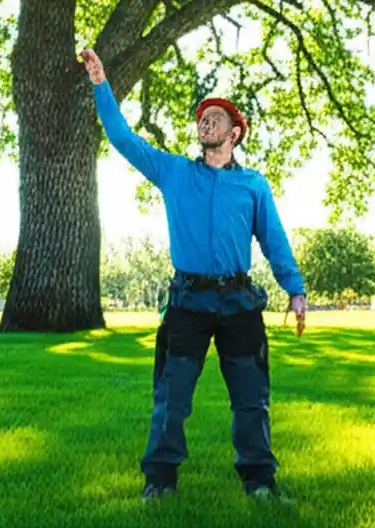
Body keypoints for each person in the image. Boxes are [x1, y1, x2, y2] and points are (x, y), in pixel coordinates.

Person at [79, 49, 307, 504]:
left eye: (216, 118)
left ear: (235, 133)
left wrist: (295, 289)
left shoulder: (254, 186)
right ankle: (160, 481)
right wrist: (101, 85)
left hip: (239, 304)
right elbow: (122, 138)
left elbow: (274, 240)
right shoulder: (174, 172)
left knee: (251, 400)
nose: (206, 123)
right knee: (172, 397)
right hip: (187, 303)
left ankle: (259, 482)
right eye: (203, 118)